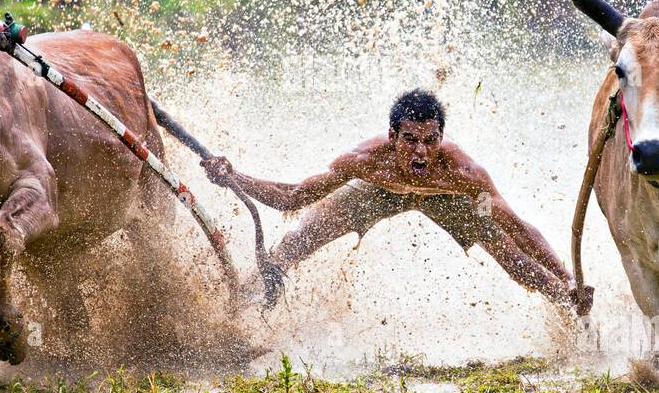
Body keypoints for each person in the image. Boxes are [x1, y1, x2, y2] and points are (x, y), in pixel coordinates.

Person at [200, 89, 583, 312]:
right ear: (391, 137)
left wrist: (567, 279)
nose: (420, 152)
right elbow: (292, 197)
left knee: (517, 262)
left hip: (447, 198)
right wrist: (234, 177)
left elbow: (517, 227)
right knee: (298, 239)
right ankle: (241, 307)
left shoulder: (463, 174)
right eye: (410, 140)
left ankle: (572, 307)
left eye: (430, 140)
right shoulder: (364, 162)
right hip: (375, 191)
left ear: (441, 138)